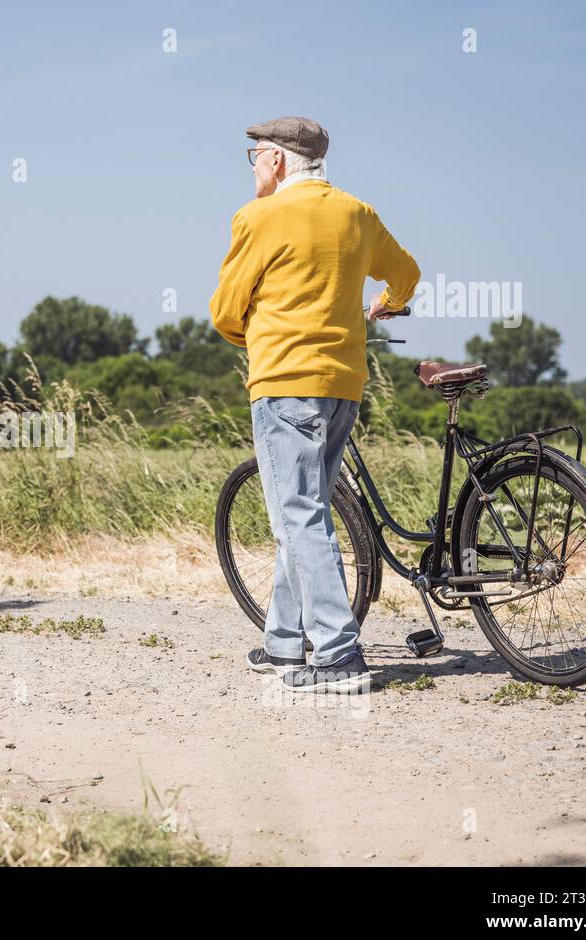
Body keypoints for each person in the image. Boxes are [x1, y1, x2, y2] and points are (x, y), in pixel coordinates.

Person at [210, 116, 420, 692]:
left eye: (254, 154)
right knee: (302, 511)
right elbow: (406, 274)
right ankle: (283, 643)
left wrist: (255, 336)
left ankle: (338, 654)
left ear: (277, 161)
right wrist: (383, 305)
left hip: (284, 383)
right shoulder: (357, 212)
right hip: (345, 384)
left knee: (298, 515)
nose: (253, 164)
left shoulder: (258, 216)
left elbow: (226, 310)